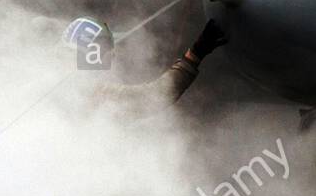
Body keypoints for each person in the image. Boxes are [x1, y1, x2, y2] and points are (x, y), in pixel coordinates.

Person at [63, 16, 227, 120]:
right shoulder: (93, 92)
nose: (113, 55)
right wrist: (194, 56)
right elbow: (154, 97)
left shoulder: (50, 80)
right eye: (107, 49)